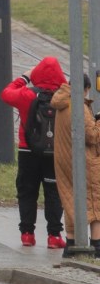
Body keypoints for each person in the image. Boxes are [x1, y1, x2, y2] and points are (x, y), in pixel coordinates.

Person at [1, 56, 67, 248]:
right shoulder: (64, 98)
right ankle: (54, 236)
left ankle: (27, 234)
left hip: (27, 150)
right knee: (54, 192)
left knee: (27, 191)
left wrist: (25, 77)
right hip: (55, 152)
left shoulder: (27, 95)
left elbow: (6, 93)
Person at [50, 75, 100, 253]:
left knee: (72, 201)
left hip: (64, 160)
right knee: (95, 203)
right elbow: (92, 136)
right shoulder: (79, 106)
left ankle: (71, 245)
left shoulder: (62, 103)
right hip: (85, 162)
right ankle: (96, 245)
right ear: (86, 88)